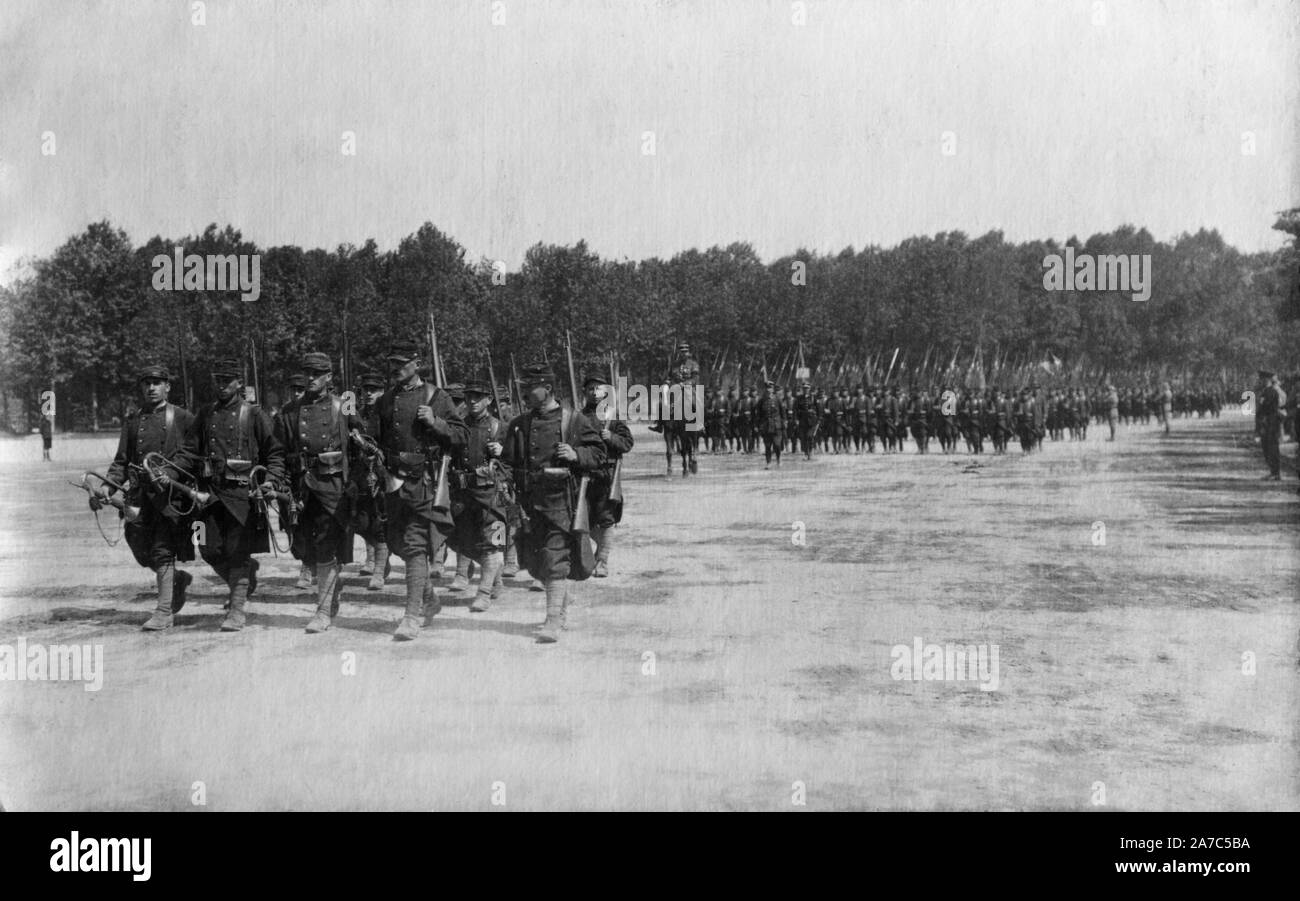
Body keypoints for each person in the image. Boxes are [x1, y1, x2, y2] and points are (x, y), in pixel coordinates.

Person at [176, 359, 286, 632]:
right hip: (208, 496)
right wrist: (171, 470)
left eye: (228, 380)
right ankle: (245, 577)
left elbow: (274, 453)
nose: (222, 386)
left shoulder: (253, 415)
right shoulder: (206, 413)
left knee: (238, 553)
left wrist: (271, 480)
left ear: (239, 383)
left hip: (242, 498)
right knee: (206, 547)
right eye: (218, 380)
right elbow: (189, 452)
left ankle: (236, 610)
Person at [501, 363, 606, 643]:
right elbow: (508, 463)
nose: (523, 392)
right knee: (536, 561)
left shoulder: (573, 421)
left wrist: (576, 454)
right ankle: (560, 609)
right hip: (528, 504)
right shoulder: (519, 424)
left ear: (547, 389)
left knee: (554, 557)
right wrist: (504, 482)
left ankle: (552, 620)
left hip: (561, 501)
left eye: (529, 388)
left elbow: (599, 455)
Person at [374, 340, 469, 640]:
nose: (396, 368)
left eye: (402, 362)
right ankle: (429, 599)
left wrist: (436, 422)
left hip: (422, 483)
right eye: (392, 363)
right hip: (392, 483)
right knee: (399, 545)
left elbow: (461, 436)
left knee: (415, 545)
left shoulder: (436, 397)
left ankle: (411, 617)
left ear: (417, 364)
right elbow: (374, 437)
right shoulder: (385, 400)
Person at [93, 364, 197, 631]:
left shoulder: (183, 418)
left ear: (167, 386)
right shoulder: (133, 421)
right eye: (147, 383)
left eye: (157, 382)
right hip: (138, 496)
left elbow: (193, 456)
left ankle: (164, 612)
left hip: (168, 496)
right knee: (138, 544)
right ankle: (177, 580)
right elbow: (121, 461)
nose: (151, 387)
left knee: (163, 550)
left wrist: (171, 471)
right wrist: (109, 487)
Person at [274, 353, 367, 633]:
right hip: (301, 489)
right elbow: (277, 452)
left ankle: (322, 611)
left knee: (326, 545)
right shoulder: (289, 411)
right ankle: (332, 582)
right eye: (307, 373)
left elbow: (362, 446)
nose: (311, 378)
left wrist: (357, 482)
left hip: (333, 487)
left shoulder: (344, 406)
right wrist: (275, 480)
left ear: (329, 377)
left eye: (317, 373)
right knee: (303, 549)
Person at [446, 379, 512, 611]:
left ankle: (483, 593)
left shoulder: (500, 428)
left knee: (493, 542)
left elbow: (514, 463)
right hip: (463, 496)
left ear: (489, 400)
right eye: (469, 397)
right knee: (463, 540)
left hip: (491, 496)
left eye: (478, 397)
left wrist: (503, 454)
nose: (472, 401)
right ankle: (495, 579)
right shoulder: (459, 426)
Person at [582, 371, 633, 578]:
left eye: (599, 389)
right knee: (585, 521)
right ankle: (597, 552)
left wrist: (610, 436)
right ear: (584, 392)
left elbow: (627, 443)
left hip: (606, 476)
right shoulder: (578, 417)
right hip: (584, 476)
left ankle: (602, 561)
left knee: (606, 519)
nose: (595, 393)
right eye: (590, 389)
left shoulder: (612, 417)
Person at [352, 370, 391, 590]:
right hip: (360, 476)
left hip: (382, 475)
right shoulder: (356, 414)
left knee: (380, 523)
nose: (368, 394)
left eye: (374, 390)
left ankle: (379, 569)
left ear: (382, 391)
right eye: (365, 390)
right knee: (361, 522)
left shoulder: (387, 414)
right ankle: (378, 560)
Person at [1257, 370, 1286, 481]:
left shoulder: (1271, 392)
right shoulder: (1266, 391)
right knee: (1266, 447)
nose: (1261, 381)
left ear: (1268, 380)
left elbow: (1268, 409)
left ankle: (1276, 473)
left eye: (1263, 379)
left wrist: (1263, 421)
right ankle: (1273, 472)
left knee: (1272, 448)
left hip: (1271, 423)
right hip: (1267, 423)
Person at [755, 380, 787, 469]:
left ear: (773, 389)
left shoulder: (778, 399)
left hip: (776, 425)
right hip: (766, 426)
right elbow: (758, 414)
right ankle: (768, 463)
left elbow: (783, 412)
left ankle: (778, 459)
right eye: (767, 388)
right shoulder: (761, 401)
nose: (769, 390)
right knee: (768, 445)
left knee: (777, 445)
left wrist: (784, 421)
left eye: (770, 388)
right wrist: (757, 425)